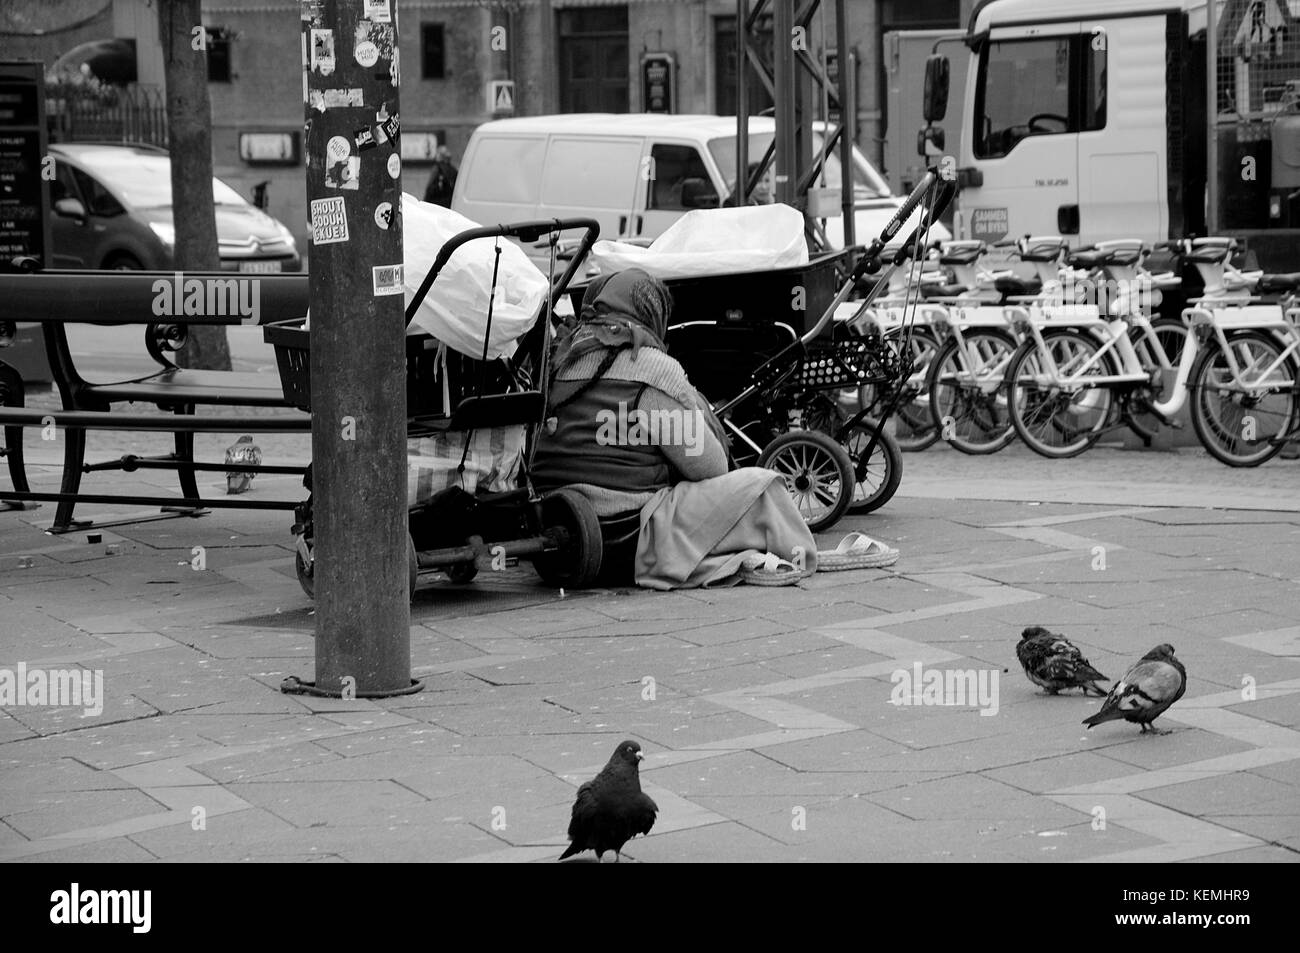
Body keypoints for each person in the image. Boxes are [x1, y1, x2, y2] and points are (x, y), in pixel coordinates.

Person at [532, 268, 819, 588]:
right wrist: (691, 401)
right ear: (651, 312)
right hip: (627, 540)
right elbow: (711, 467)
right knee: (763, 486)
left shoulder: (558, 360)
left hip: (560, 537)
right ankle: (798, 557)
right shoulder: (651, 367)